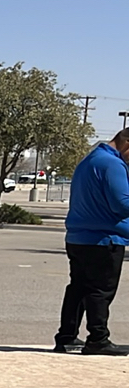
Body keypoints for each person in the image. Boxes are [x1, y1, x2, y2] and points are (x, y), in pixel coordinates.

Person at [57, 128, 129, 355]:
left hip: (79, 238)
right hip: (103, 239)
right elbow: (123, 204)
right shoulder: (112, 165)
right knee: (101, 290)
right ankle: (98, 339)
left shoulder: (90, 160)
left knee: (78, 288)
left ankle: (66, 337)